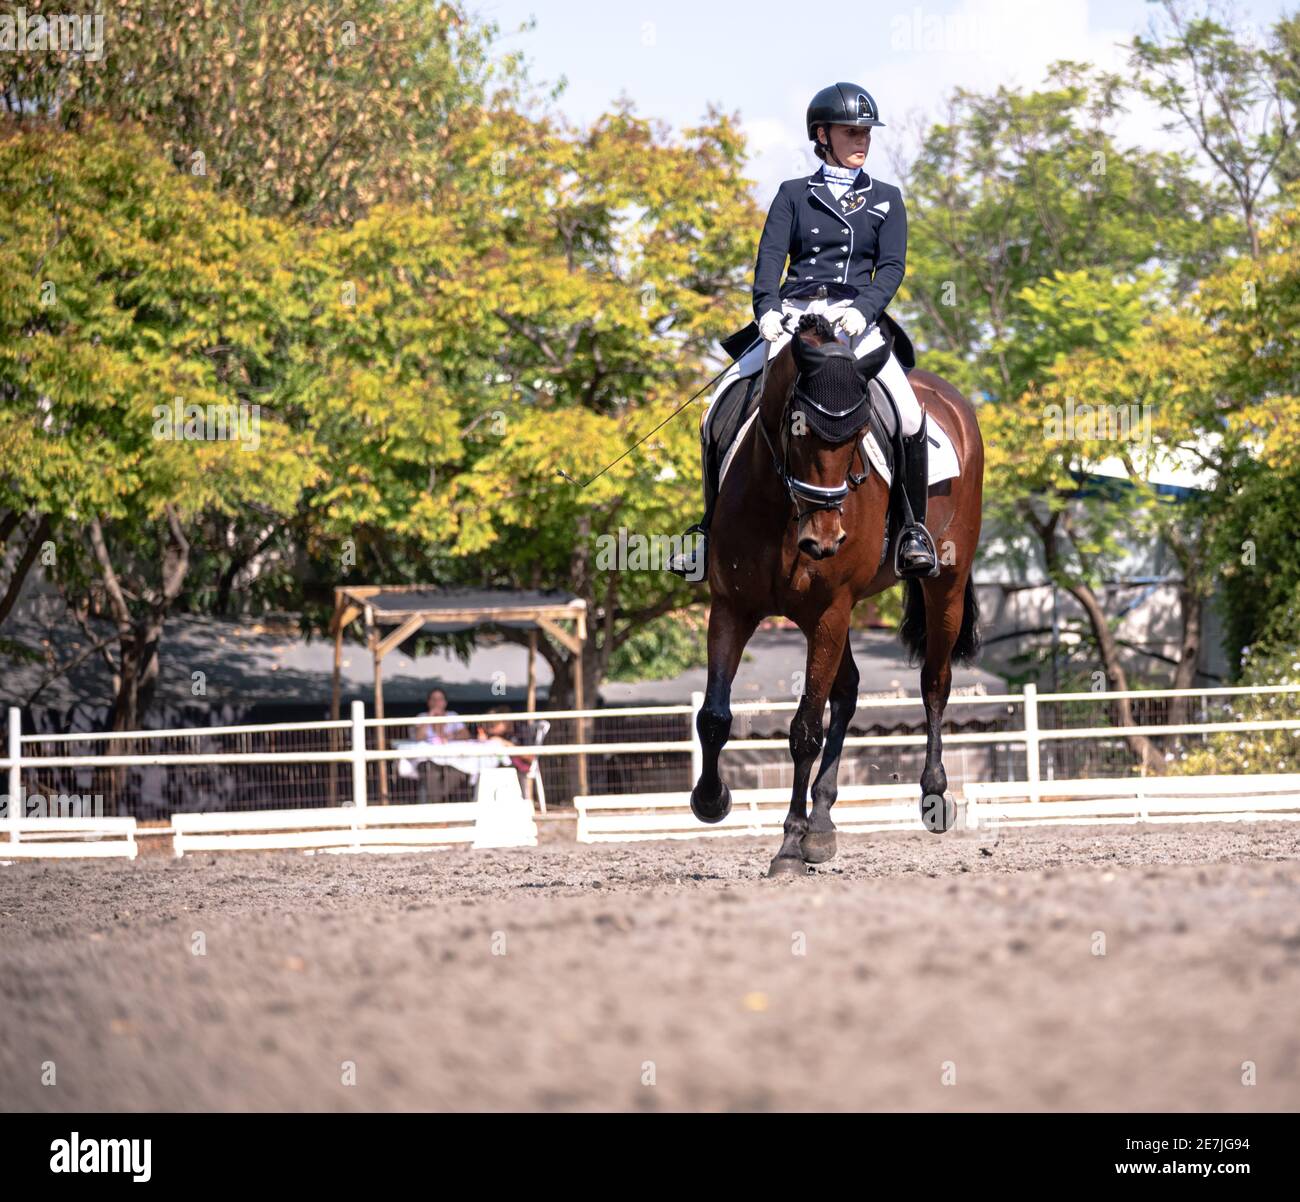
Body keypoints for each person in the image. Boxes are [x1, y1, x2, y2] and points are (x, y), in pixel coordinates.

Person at [668, 82, 937, 581]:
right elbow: (770, 260)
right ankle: (706, 532)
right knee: (715, 410)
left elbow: (893, 268)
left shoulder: (886, 199)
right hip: (793, 317)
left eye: (866, 133)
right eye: (850, 131)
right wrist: (767, 309)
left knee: (908, 415)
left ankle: (911, 530)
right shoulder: (793, 194)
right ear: (822, 135)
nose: (861, 140)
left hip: (856, 320)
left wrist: (865, 310)